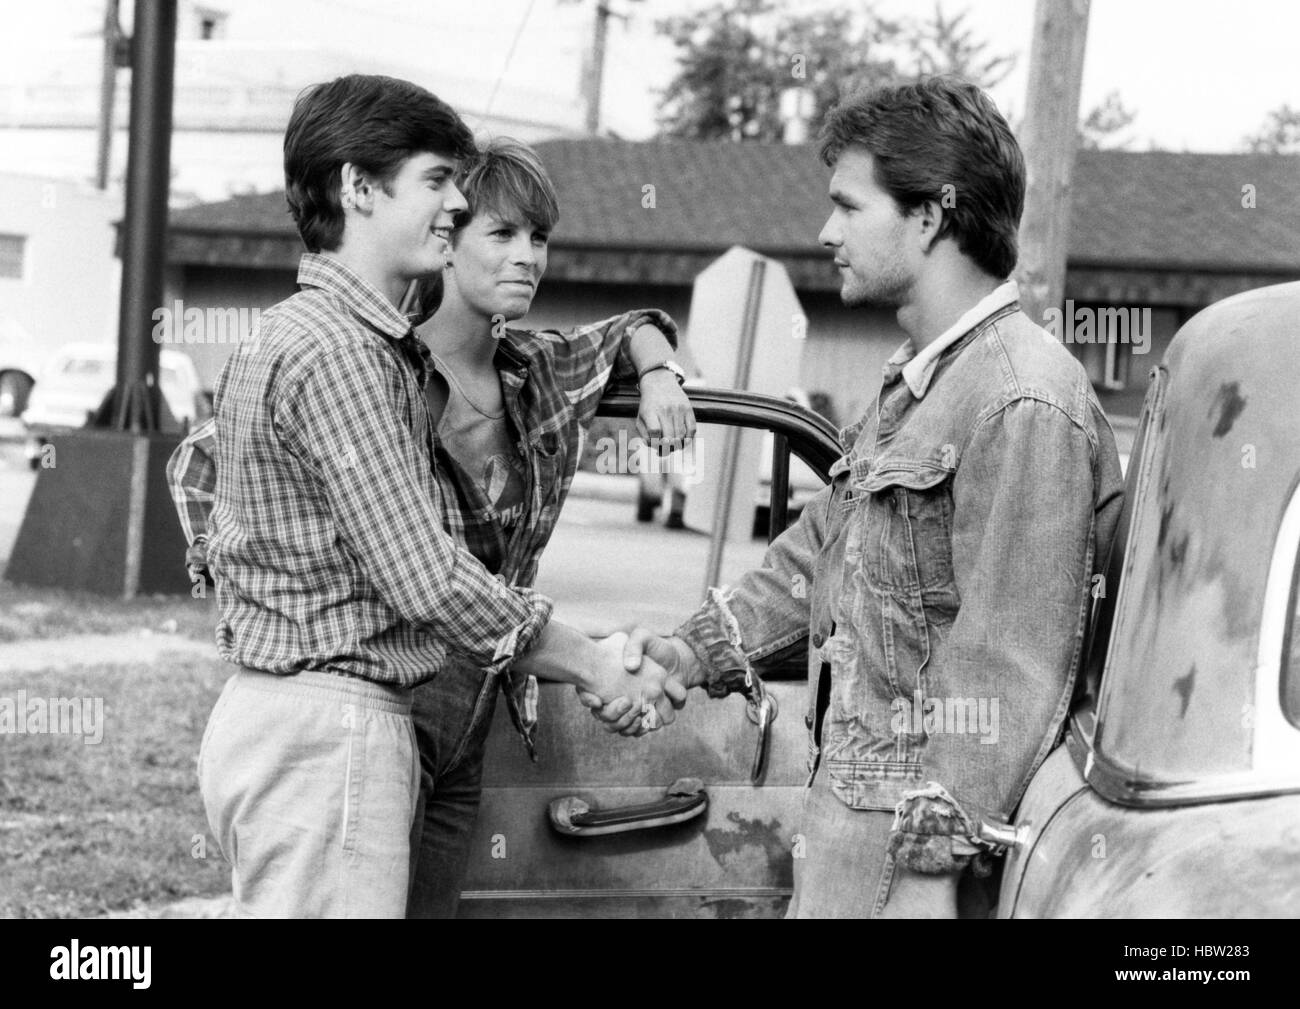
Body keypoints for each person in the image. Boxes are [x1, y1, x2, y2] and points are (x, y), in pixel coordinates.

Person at [588, 76, 1125, 918]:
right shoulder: (919, 386)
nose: (825, 231)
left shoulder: (1020, 396)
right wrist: (688, 653)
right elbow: (820, 555)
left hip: (904, 857)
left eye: (848, 205)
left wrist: (929, 868)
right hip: (850, 823)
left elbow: (1008, 661)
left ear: (929, 215)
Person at [181, 75, 685, 918]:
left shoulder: (326, 338)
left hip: (341, 715)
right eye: (437, 181)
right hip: (334, 718)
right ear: (357, 187)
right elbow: (425, 577)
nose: (455, 202)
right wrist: (597, 662)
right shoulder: (341, 353)